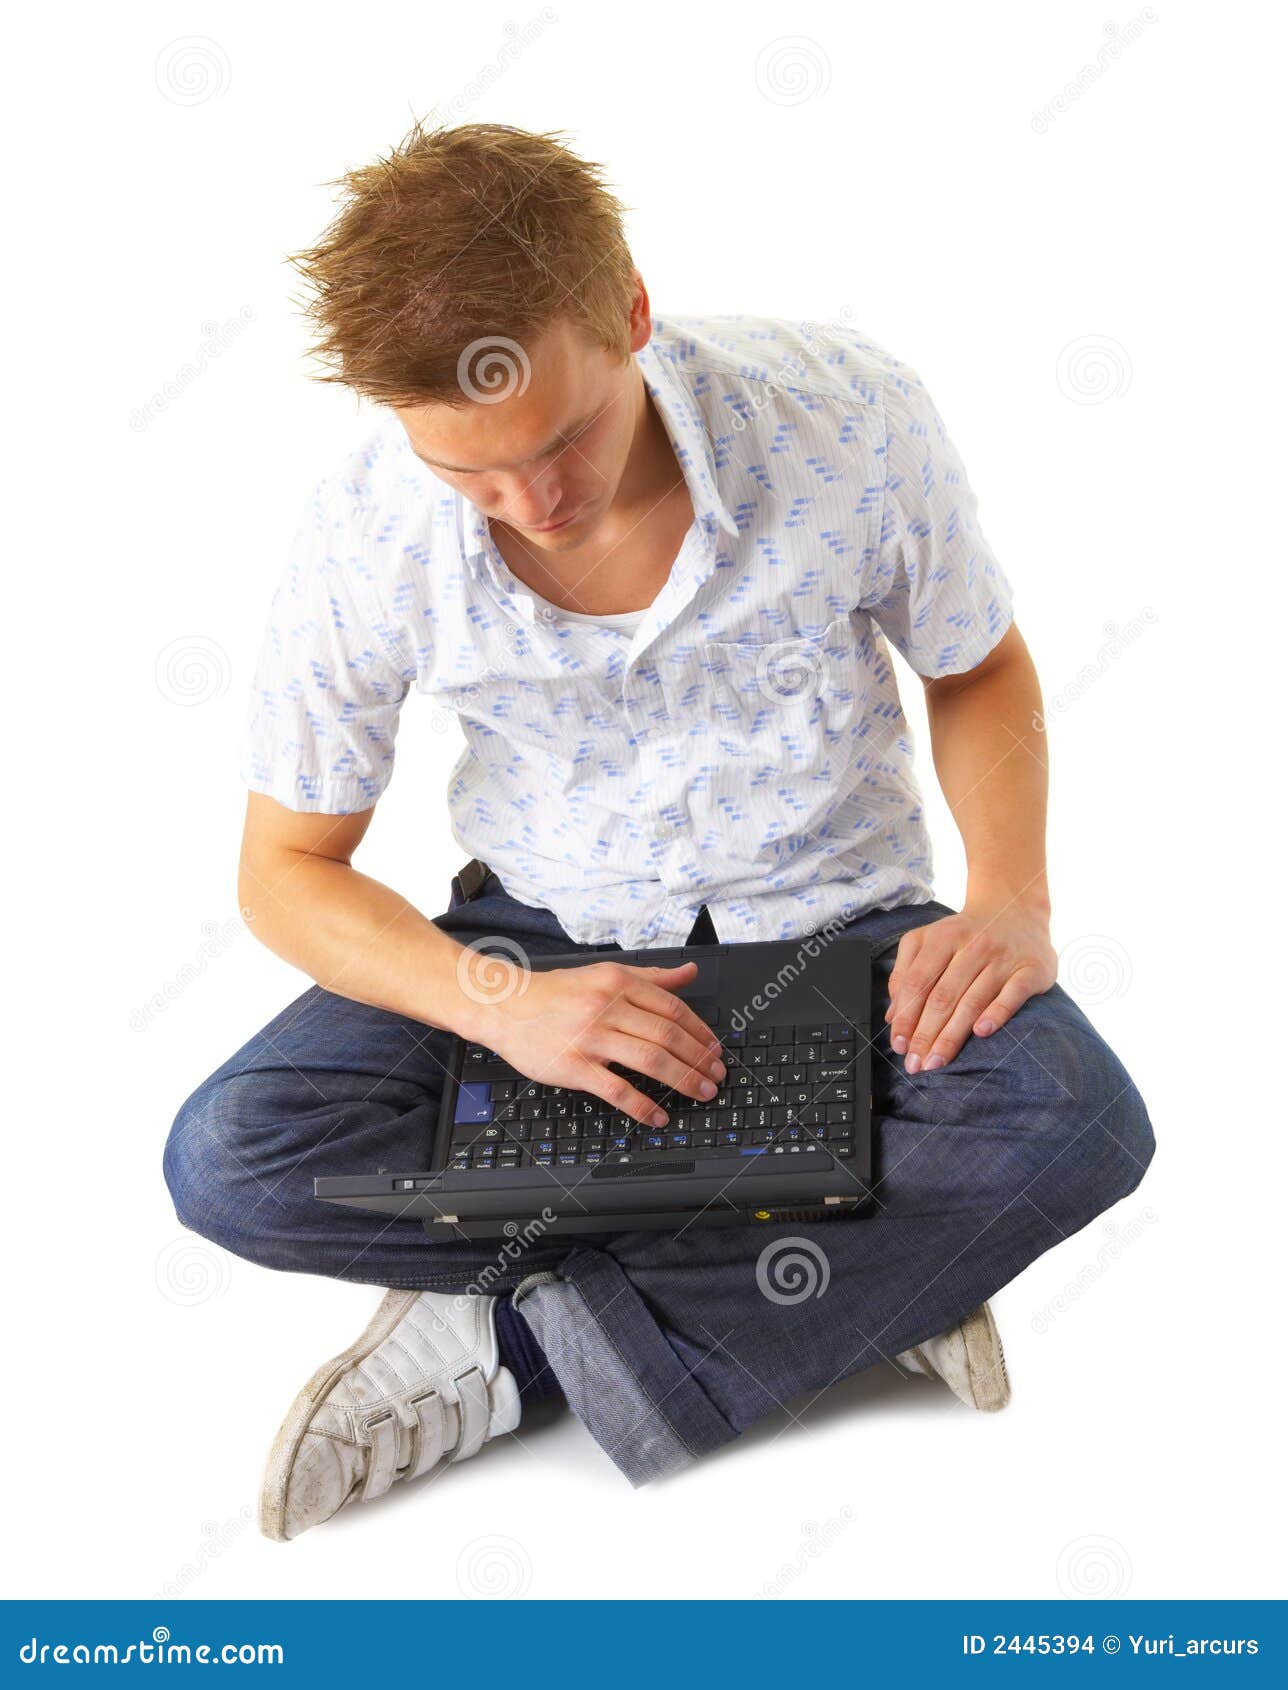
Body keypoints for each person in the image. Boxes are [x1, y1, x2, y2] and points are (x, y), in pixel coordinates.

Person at [163, 119, 1155, 1542]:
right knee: (231, 1151)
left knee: (1077, 1117)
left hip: (841, 934)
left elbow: (977, 667)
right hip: (539, 949)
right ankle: (861, 1267)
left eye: (563, 439)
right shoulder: (365, 532)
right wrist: (498, 1004)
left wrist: (1009, 893)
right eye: (474, 477)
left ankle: (504, 1346)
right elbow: (283, 869)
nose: (537, 506)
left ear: (629, 306)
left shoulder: (848, 413)